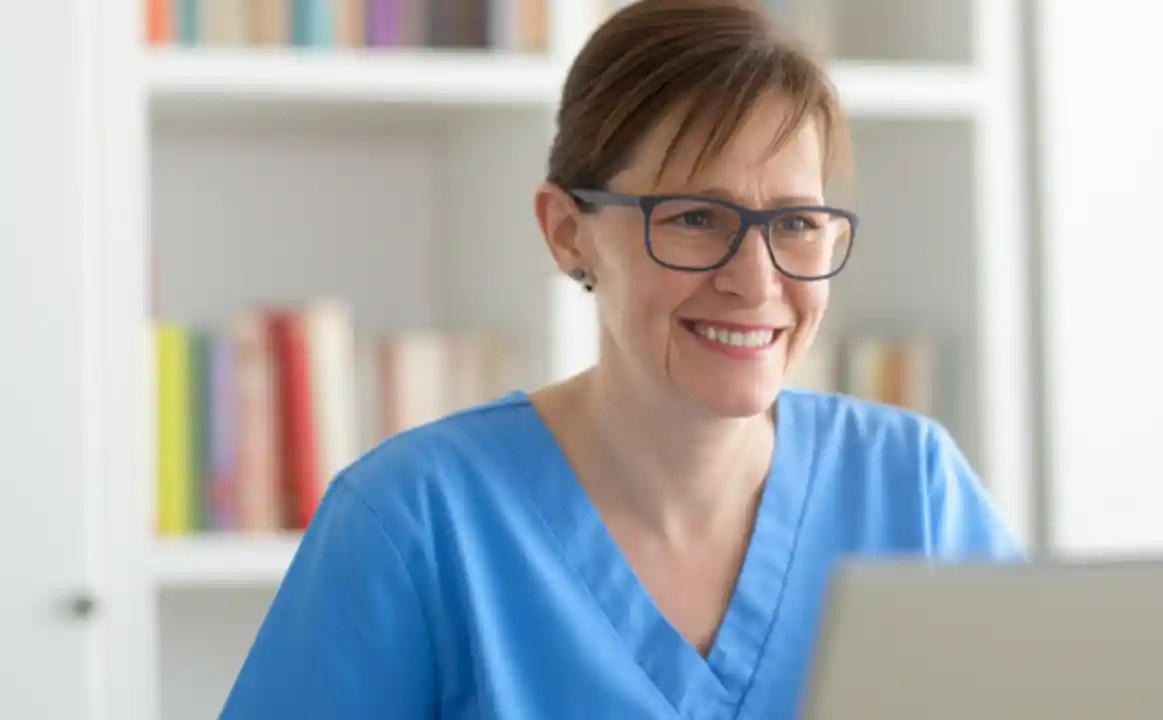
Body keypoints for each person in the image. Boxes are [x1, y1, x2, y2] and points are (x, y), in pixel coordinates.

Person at [222, 0, 1020, 717]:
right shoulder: (413, 521)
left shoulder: (913, 491)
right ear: (569, 231)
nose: (756, 281)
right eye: (695, 218)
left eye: (797, 223)